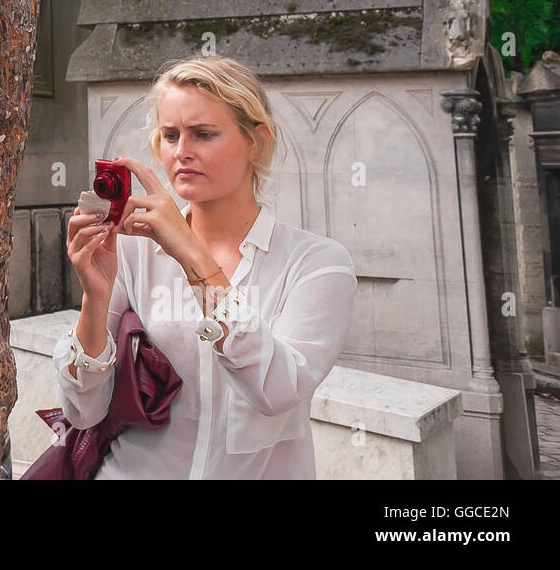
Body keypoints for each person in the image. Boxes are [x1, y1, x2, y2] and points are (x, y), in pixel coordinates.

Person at [54, 55, 357, 479]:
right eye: (170, 135)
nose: (182, 152)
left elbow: (276, 391)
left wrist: (193, 257)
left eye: (203, 134)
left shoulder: (317, 263)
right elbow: (83, 411)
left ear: (258, 141)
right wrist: (95, 296)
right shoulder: (133, 251)